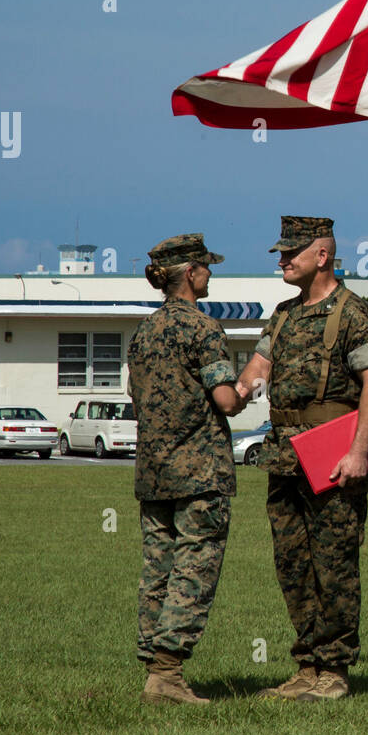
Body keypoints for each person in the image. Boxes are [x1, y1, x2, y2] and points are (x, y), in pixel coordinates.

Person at [236, 217, 368, 702]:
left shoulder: (356, 315)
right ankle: (308, 664)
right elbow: (257, 373)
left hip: (333, 457)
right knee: (292, 563)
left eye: (291, 252)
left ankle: (336, 670)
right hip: (284, 456)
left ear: (321, 256)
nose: (282, 260)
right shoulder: (282, 315)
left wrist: (359, 453)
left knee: (334, 564)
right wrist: (234, 391)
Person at [128, 233, 246, 706]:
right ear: (191, 275)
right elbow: (225, 399)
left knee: (157, 568)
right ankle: (168, 673)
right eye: (206, 267)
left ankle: (155, 668)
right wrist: (248, 390)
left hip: (154, 472)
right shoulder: (203, 329)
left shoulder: (144, 332)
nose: (211, 274)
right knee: (194, 568)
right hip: (199, 473)